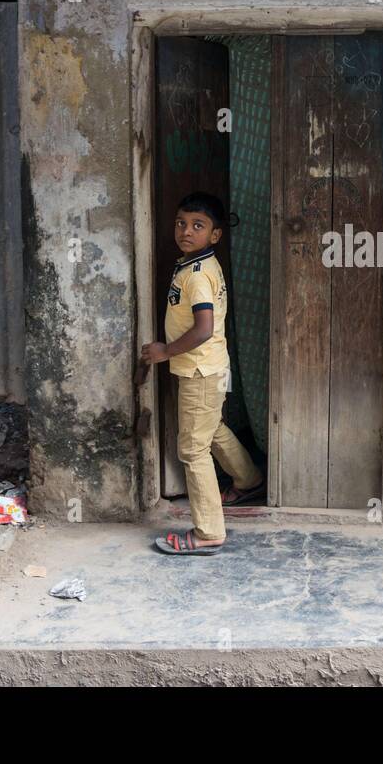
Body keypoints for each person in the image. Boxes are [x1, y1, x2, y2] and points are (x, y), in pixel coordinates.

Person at [143, 192, 265, 555]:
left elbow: (203, 328)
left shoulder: (196, 276)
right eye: (181, 223)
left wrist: (164, 351)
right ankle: (249, 479)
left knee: (193, 450)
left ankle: (208, 531)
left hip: (199, 371)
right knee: (211, 429)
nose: (186, 231)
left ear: (215, 235)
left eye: (198, 226)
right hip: (210, 368)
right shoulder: (202, 265)